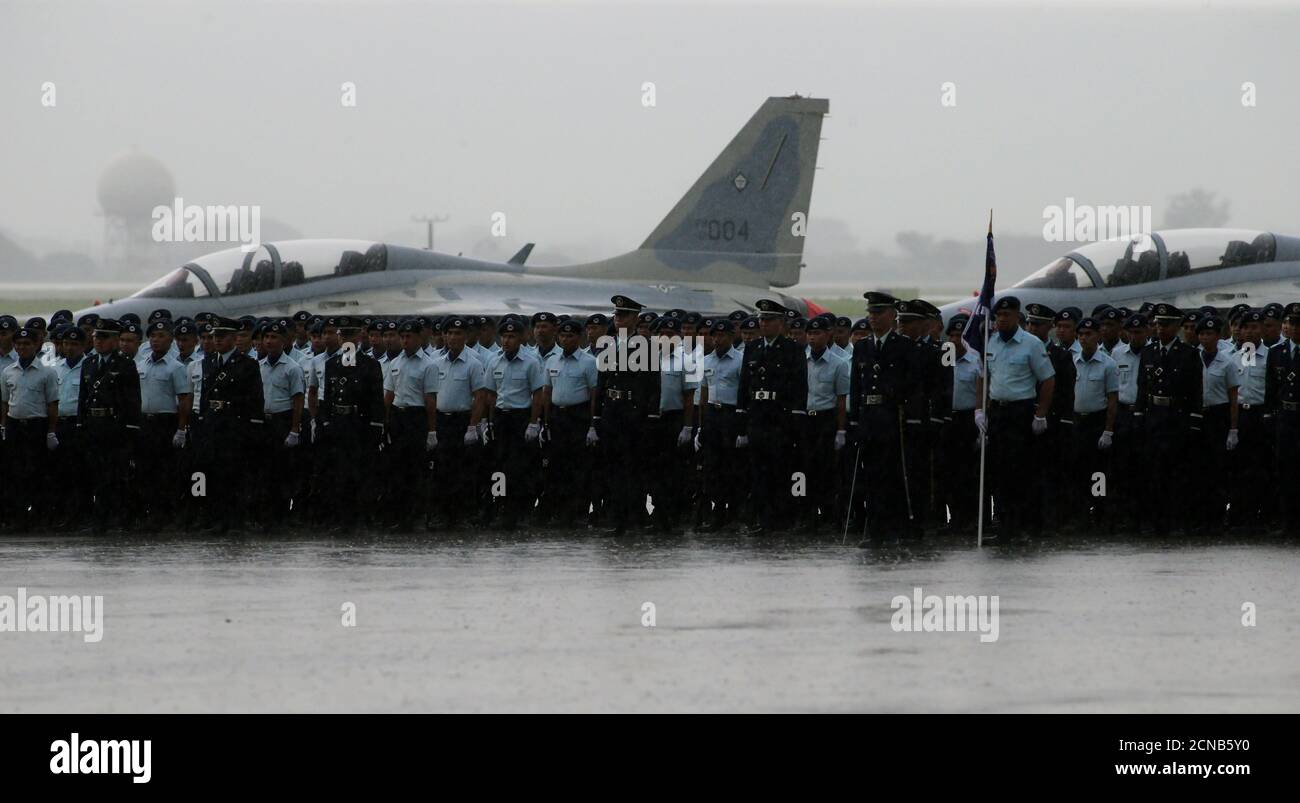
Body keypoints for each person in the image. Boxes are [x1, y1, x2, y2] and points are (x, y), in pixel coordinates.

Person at [974, 296, 1055, 540]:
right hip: (998, 412)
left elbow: (1048, 379)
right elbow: (982, 377)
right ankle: (1004, 526)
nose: (1001, 320)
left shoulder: (1031, 344)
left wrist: (1040, 414)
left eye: (1006, 316)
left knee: (1020, 472)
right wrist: (979, 410)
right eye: (998, 316)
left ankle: (1022, 526)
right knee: (998, 471)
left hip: (1020, 413)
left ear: (1017, 316)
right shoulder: (991, 343)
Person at [737, 299, 807, 535]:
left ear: (781, 323)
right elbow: (744, 385)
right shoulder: (753, 347)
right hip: (758, 416)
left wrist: (795, 422)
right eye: (762, 320)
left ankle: (783, 518)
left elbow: (799, 387)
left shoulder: (793, 349)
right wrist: (742, 421)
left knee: (781, 470)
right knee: (759, 471)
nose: (764, 324)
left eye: (769, 320)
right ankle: (764, 519)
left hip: (780, 418)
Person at [848, 292, 915, 539]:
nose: (872, 318)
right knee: (871, 475)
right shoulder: (863, 347)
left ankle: (895, 527)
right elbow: (856, 386)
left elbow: (912, 385)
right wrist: (854, 420)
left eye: (878, 313)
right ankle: (873, 528)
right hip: (869, 419)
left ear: (891, 315)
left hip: (892, 419)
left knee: (894, 475)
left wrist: (908, 415)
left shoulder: (904, 346)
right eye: (870, 313)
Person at [1134, 303, 1202, 537]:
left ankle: (1177, 521)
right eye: (1157, 324)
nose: (1159, 328)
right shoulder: (1148, 352)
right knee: (1153, 472)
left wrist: (1194, 422)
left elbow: (1195, 391)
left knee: (1177, 472)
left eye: (1165, 324)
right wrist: (1139, 415)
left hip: (1177, 417)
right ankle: (1155, 520)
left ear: (1176, 327)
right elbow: (1142, 386)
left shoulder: (1188, 354)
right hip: (1154, 417)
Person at [195, 316, 264, 534]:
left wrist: (251, 430)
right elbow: (205, 397)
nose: (217, 340)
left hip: (235, 427)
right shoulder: (208, 362)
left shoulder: (247, 364)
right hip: (213, 426)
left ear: (234, 339)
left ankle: (235, 521)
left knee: (234, 476)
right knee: (212, 476)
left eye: (222, 336)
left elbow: (255, 399)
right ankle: (216, 518)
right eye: (215, 336)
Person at [316, 316, 384, 531]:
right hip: (338, 423)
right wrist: (325, 423)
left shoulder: (370, 365)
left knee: (361, 474)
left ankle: (361, 518)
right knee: (339, 474)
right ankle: (343, 518)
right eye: (343, 334)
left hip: (360, 425)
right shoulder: (332, 364)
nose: (347, 338)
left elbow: (376, 400)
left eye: (350, 335)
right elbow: (327, 397)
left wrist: (375, 428)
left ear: (358, 336)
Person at [78, 319, 142, 536]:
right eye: (97, 337)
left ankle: (121, 517)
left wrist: (131, 430)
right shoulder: (88, 364)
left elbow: (132, 400)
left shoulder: (125, 364)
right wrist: (81, 425)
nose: (99, 341)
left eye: (104, 337)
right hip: (94, 425)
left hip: (115, 426)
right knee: (96, 474)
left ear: (115, 340)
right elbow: (83, 398)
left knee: (116, 475)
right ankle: (100, 519)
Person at [484, 317, 545, 530]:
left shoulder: (530, 362)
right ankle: (501, 507)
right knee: (499, 467)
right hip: (501, 418)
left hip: (521, 418)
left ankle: (520, 510)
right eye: (504, 336)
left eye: (512, 336)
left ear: (521, 338)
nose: (507, 341)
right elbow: (490, 394)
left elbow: (537, 394)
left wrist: (533, 423)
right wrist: (489, 423)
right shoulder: (494, 361)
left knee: (520, 468)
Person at [542, 318, 599, 529]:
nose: (566, 339)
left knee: (579, 467)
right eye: (563, 336)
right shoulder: (552, 361)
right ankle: (560, 511)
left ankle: (579, 512)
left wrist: (593, 425)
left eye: (570, 336)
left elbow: (594, 394)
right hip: (557, 417)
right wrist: (545, 422)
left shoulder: (588, 362)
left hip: (579, 417)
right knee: (558, 466)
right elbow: (547, 392)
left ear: (579, 337)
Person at [136, 319, 192, 528]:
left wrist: (181, 428)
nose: (156, 340)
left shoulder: (176, 367)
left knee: (166, 471)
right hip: (145, 422)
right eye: (152, 336)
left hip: (165, 422)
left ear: (171, 340)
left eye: (161, 336)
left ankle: (167, 514)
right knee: (146, 469)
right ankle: (151, 512)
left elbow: (184, 399)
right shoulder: (141, 365)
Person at [1, 327, 59, 528]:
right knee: (15, 472)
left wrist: (51, 430)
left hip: (37, 425)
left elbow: (52, 403)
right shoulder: (8, 372)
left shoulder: (47, 373)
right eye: (18, 344)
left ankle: (39, 515)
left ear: (36, 345)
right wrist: (4, 427)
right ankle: (18, 516)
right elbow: (5, 402)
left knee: (37, 471)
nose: (22, 348)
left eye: (26, 344)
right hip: (15, 425)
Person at [800, 316, 849, 533]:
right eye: (810, 333)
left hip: (826, 420)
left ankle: (829, 515)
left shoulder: (839, 363)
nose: (812, 337)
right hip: (805, 420)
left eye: (817, 333)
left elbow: (841, 399)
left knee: (826, 469)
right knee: (803, 470)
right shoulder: (801, 360)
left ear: (828, 335)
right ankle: (806, 513)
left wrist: (840, 430)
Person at [1071, 317, 1119, 530]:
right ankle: (1081, 513)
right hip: (1077, 421)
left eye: (1088, 334)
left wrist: (1108, 430)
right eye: (1080, 334)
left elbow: (1112, 399)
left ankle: (1100, 512)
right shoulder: (1072, 360)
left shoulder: (1108, 364)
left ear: (1098, 336)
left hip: (1097, 422)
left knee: (1098, 472)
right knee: (1078, 469)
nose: (1084, 338)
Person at [696, 319, 744, 531]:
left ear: (731, 337)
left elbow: (744, 394)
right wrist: (700, 426)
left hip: (731, 415)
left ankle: (733, 511)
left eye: (722, 335)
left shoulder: (741, 360)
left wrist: (743, 427)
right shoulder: (706, 361)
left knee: (732, 465)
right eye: (714, 335)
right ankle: (718, 511)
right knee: (712, 466)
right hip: (712, 416)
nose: (717, 339)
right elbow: (704, 393)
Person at [258, 321, 305, 525]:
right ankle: (265, 514)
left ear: (284, 341)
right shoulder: (258, 366)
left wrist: (294, 429)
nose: (269, 341)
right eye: (266, 337)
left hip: (282, 421)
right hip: (264, 422)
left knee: (284, 470)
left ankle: (283, 514)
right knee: (264, 469)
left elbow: (298, 399)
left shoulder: (292, 368)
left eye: (274, 337)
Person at [1264, 302, 1300, 536]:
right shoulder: (1277, 352)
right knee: (1286, 470)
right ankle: (1289, 523)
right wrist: (1269, 416)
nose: (1290, 327)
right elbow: (1271, 388)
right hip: (1286, 417)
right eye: (1287, 322)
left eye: (1296, 323)